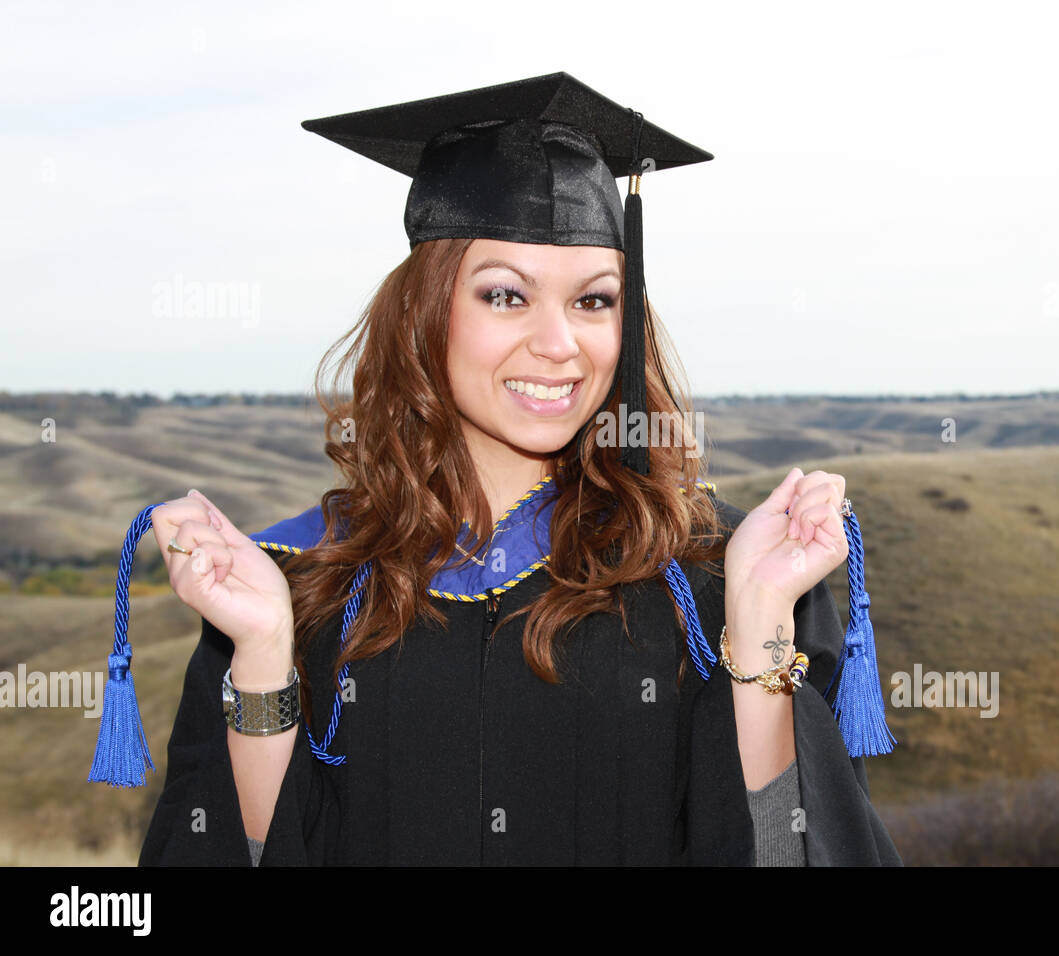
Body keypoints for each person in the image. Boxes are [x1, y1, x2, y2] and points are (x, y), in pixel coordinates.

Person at [98, 73, 902, 866]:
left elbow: (788, 850)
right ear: (424, 313)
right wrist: (265, 652)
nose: (558, 343)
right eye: (506, 296)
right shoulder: (310, 582)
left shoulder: (710, 578)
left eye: (594, 301)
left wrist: (758, 635)